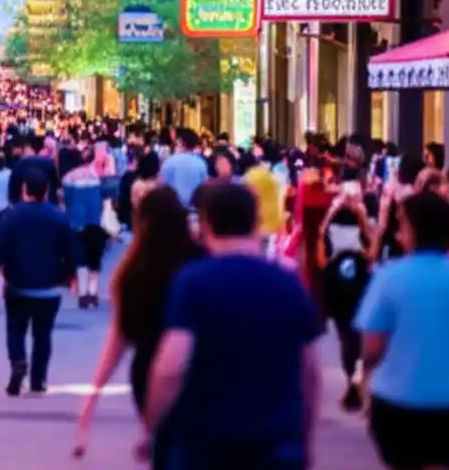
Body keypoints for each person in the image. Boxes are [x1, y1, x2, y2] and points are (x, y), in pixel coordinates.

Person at [143, 183, 323, 469]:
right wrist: (303, 436)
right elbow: (310, 370)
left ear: (206, 225)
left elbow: (171, 366)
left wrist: (152, 428)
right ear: (255, 223)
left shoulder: (192, 282)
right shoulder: (289, 283)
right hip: (275, 441)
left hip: (206, 442)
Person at [357, 191, 449, 470]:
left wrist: (365, 386)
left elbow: (372, 349)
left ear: (413, 230)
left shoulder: (388, 278)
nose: (398, 235)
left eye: (402, 226)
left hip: (397, 401)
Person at [75, 186, 202, 463]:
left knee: (165, 447)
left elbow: (117, 340)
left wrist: (93, 395)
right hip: (200, 367)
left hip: (147, 370)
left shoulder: (133, 273)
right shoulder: (201, 262)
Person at [0, 169, 80, 396]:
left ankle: (18, 361)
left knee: (15, 329)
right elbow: (70, 249)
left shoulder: (11, 215)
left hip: (18, 284)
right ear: (46, 191)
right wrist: (71, 276)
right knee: (43, 335)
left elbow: (0, 249)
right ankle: (38, 380)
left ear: (24, 190)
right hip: (49, 286)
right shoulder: (58, 216)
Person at [317, 168, 376, 412]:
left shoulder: (363, 219)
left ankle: (355, 377)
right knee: (349, 336)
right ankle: (354, 378)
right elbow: (321, 260)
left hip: (352, 286)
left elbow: (372, 252)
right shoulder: (334, 222)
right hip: (344, 288)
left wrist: (360, 218)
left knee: (352, 336)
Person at [62, 150, 109, 309]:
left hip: (76, 222)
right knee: (94, 259)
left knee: (81, 259)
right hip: (95, 221)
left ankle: (83, 294)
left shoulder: (68, 178)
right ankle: (93, 292)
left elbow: (67, 201)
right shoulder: (94, 174)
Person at [159, 128, 208, 209]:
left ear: (181, 142)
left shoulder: (169, 162)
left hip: (172, 210)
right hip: (194, 210)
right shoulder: (201, 163)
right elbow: (204, 187)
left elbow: (161, 186)